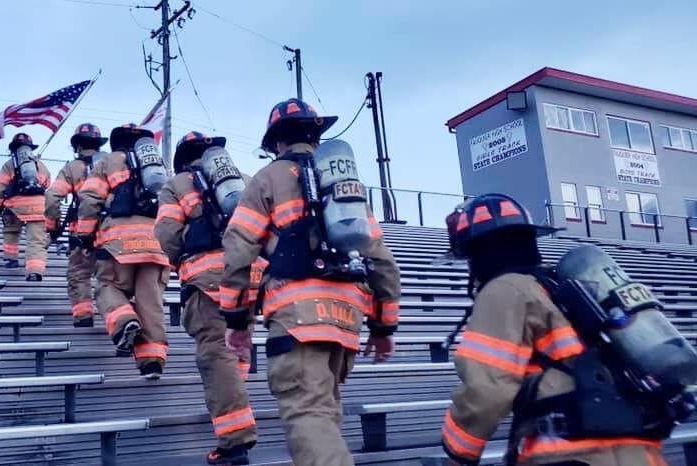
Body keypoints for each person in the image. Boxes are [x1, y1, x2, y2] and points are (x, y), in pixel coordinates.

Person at [219, 99, 401, 466]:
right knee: (326, 412)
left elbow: (238, 250)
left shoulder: (267, 179)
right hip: (348, 316)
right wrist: (383, 328)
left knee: (308, 414)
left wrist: (237, 321)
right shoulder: (345, 187)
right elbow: (382, 261)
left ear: (276, 144)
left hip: (297, 314)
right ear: (316, 139)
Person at [437, 193, 668, 466]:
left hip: (571, 454)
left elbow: (487, 390)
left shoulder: (504, 290)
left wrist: (457, 451)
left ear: (477, 254)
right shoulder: (560, 290)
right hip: (639, 454)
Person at [155, 131, 262, 465]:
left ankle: (234, 443)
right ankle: (234, 401)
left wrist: (178, 263)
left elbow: (166, 234)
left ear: (183, 158)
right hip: (253, 275)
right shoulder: (243, 179)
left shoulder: (177, 184)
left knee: (216, 355)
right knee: (239, 341)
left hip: (210, 279)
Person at [75, 123, 170, 380]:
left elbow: (90, 198)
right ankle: (152, 362)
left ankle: (124, 321)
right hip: (156, 244)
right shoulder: (159, 167)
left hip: (118, 241)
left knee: (107, 286)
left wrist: (84, 235)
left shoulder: (108, 162)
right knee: (151, 303)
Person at [45, 123, 107, 327]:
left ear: (77, 146)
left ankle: (84, 317)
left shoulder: (72, 168)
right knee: (113, 280)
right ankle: (118, 321)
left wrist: (53, 227)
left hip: (81, 233)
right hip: (112, 233)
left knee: (79, 275)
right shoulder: (112, 164)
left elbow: (53, 197)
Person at [0, 133, 52, 281]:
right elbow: (47, 183)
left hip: (14, 206)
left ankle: (11, 259)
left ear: (13, 149)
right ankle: (35, 271)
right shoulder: (39, 164)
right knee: (36, 240)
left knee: (11, 231)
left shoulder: (9, 165)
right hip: (38, 207)